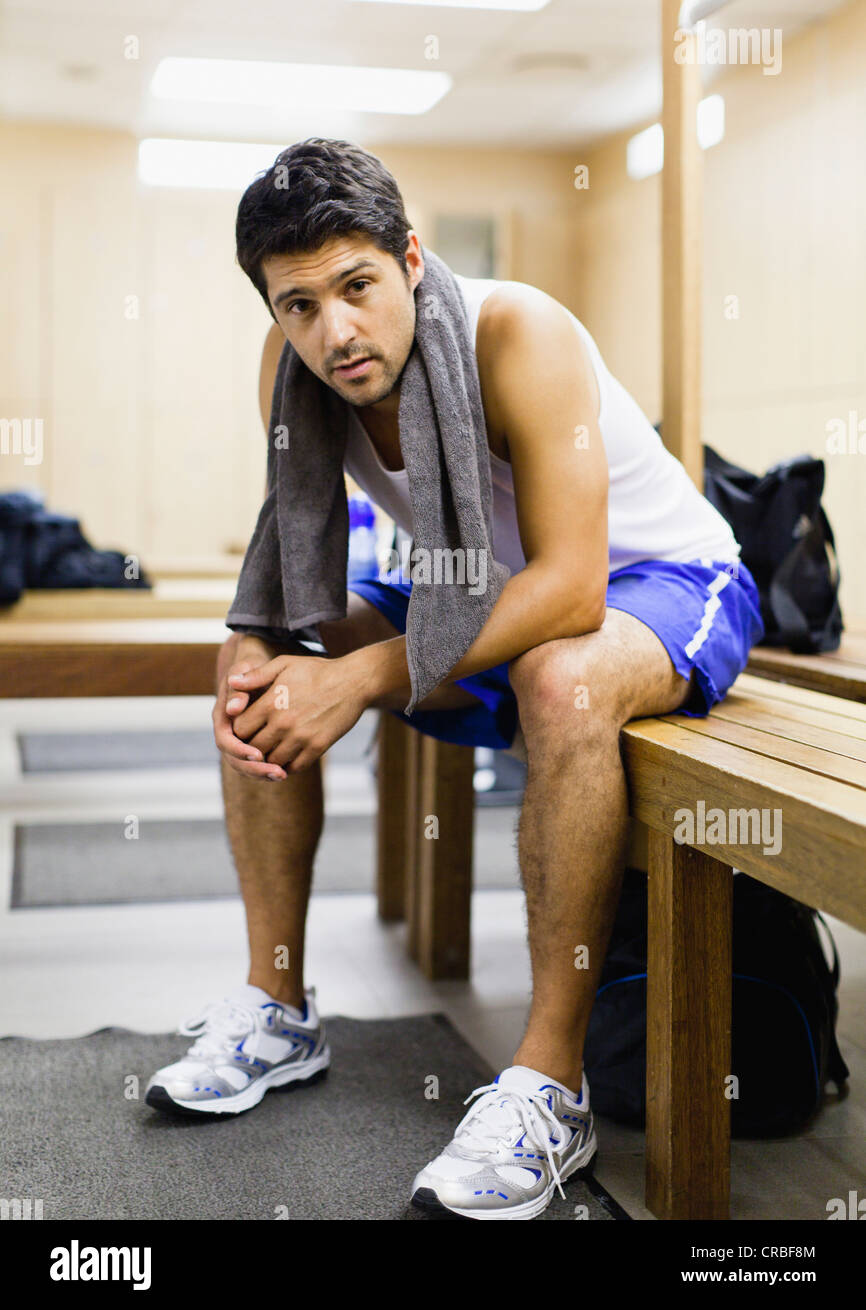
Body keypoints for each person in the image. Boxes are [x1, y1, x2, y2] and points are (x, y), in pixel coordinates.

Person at [145, 138, 764, 1221]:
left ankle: (547, 1083)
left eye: (355, 287)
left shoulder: (515, 333)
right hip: (470, 591)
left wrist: (370, 674)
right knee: (259, 660)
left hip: (661, 579)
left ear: (411, 260)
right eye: (298, 306)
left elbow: (572, 588)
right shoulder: (290, 375)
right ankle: (276, 1002)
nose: (334, 331)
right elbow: (292, 574)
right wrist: (279, 654)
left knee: (559, 678)